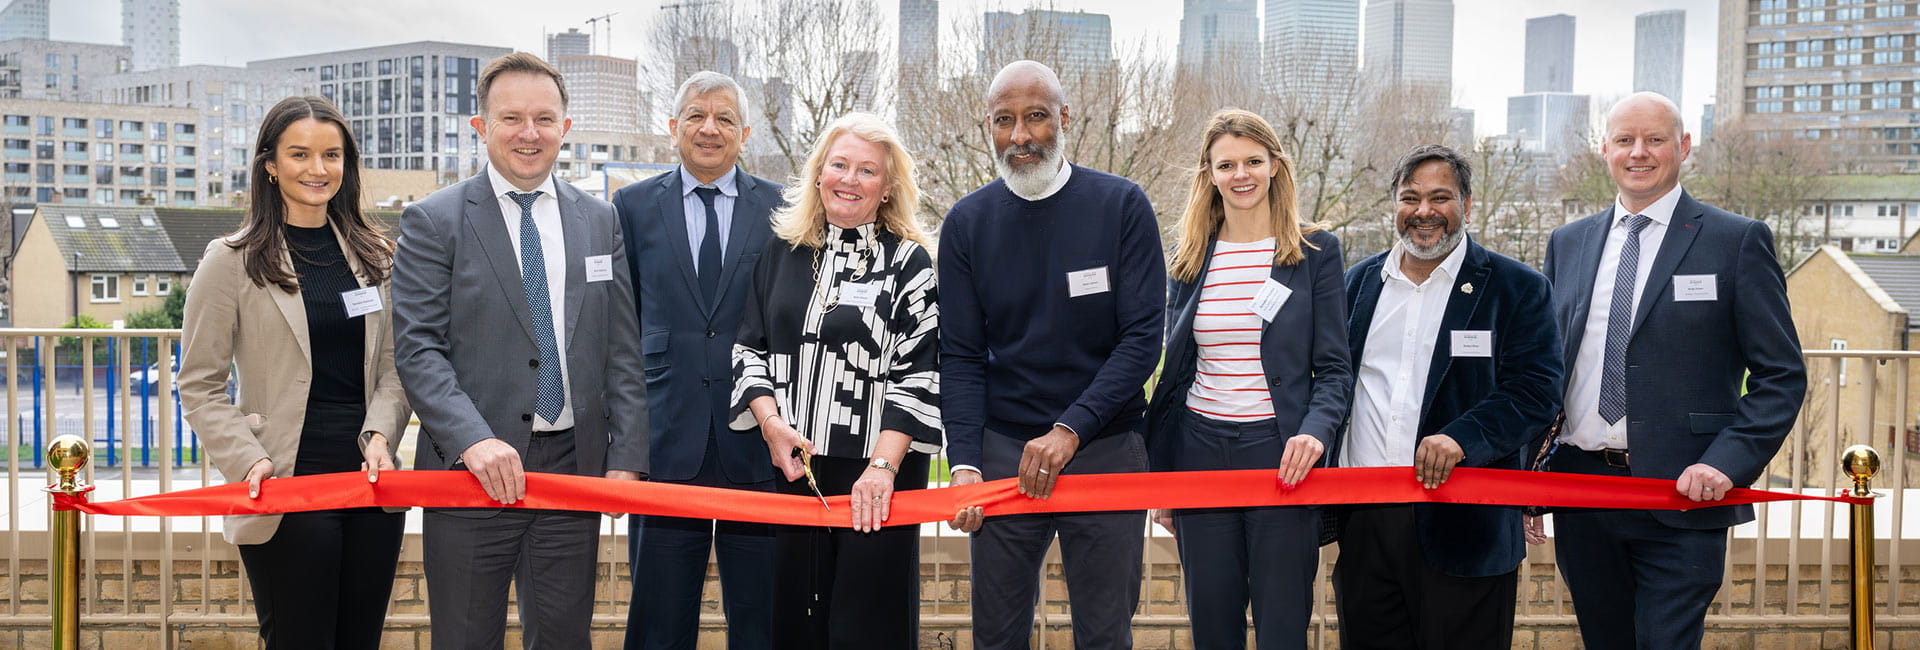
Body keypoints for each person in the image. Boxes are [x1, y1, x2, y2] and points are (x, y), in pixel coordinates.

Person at [390, 52, 648, 649]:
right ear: (481, 126)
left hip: (572, 471)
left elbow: (621, 347)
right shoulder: (434, 220)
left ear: (565, 127)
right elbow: (419, 350)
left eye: (543, 118)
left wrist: (627, 454)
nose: (528, 134)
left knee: (563, 639)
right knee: (466, 638)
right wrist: (474, 440)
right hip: (470, 473)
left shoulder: (599, 220)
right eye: (511, 118)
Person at [1535, 92, 1806, 650]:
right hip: (1583, 493)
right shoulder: (1569, 242)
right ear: (1604, 149)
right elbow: (1546, 371)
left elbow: (1782, 375)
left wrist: (1725, 464)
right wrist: (1529, 476)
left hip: (1682, 495)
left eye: (1655, 139)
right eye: (1625, 140)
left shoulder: (1735, 241)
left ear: (1683, 147)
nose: (1639, 152)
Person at [940, 60, 1165, 650]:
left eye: (1036, 117)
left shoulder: (1122, 205)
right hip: (1003, 453)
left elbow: (1143, 338)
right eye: (1005, 121)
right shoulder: (966, 223)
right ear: (987, 127)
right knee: (996, 634)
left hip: (1106, 447)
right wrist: (964, 463)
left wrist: (1071, 429)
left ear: (1064, 120)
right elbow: (960, 355)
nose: (1020, 136)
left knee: (1105, 634)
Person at [178, 95, 410, 649]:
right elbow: (199, 385)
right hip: (284, 485)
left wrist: (381, 435)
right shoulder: (230, 261)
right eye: (300, 154)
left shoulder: (377, 256)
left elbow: (396, 367)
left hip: (370, 482)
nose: (317, 169)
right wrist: (248, 459)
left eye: (332, 155)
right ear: (270, 165)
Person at [1332, 145, 1562, 650]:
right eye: (1410, 197)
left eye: (1441, 197)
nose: (1424, 211)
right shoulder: (1357, 285)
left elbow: (1536, 390)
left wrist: (1462, 438)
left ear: (1468, 204)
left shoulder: (1517, 288)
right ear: (1393, 203)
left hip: (1465, 523)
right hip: (1367, 519)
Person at [730, 111, 940, 649]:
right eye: (839, 164)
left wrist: (882, 466)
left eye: (867, 171)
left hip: (878, 477)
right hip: (795, 468)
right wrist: (771, 425)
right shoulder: (781, 252)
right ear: (818, 172)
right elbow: (748, 348)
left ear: (888, 187)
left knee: (866, 627)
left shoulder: (909, 263)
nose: (849, 179)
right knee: (797, 623)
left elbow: (919, 375)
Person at [1143, 108, 1351, 650]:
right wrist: (1164, 475)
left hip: (1280, 454)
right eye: (1226, 164)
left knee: (1283, 626)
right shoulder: (1188, 259)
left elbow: (1333, 369)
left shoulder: (1315, 253)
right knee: (1213, 624)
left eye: (1253, 161)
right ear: (1208, 174)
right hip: (1200, 454)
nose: (1241, 175)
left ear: (1276, 166)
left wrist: (1316, 432)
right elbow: (1175, 371)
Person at [610, 70, 779, 650]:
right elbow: (620, 325)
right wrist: (624, 444)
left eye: (725, 118)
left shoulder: (781, 209)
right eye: (697, 116)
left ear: (746, 132)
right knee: (658, 622)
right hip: (664, 439)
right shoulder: (631, 206)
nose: (710, 129)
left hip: (755, 443)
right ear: (673, 126)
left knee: (761, 620)